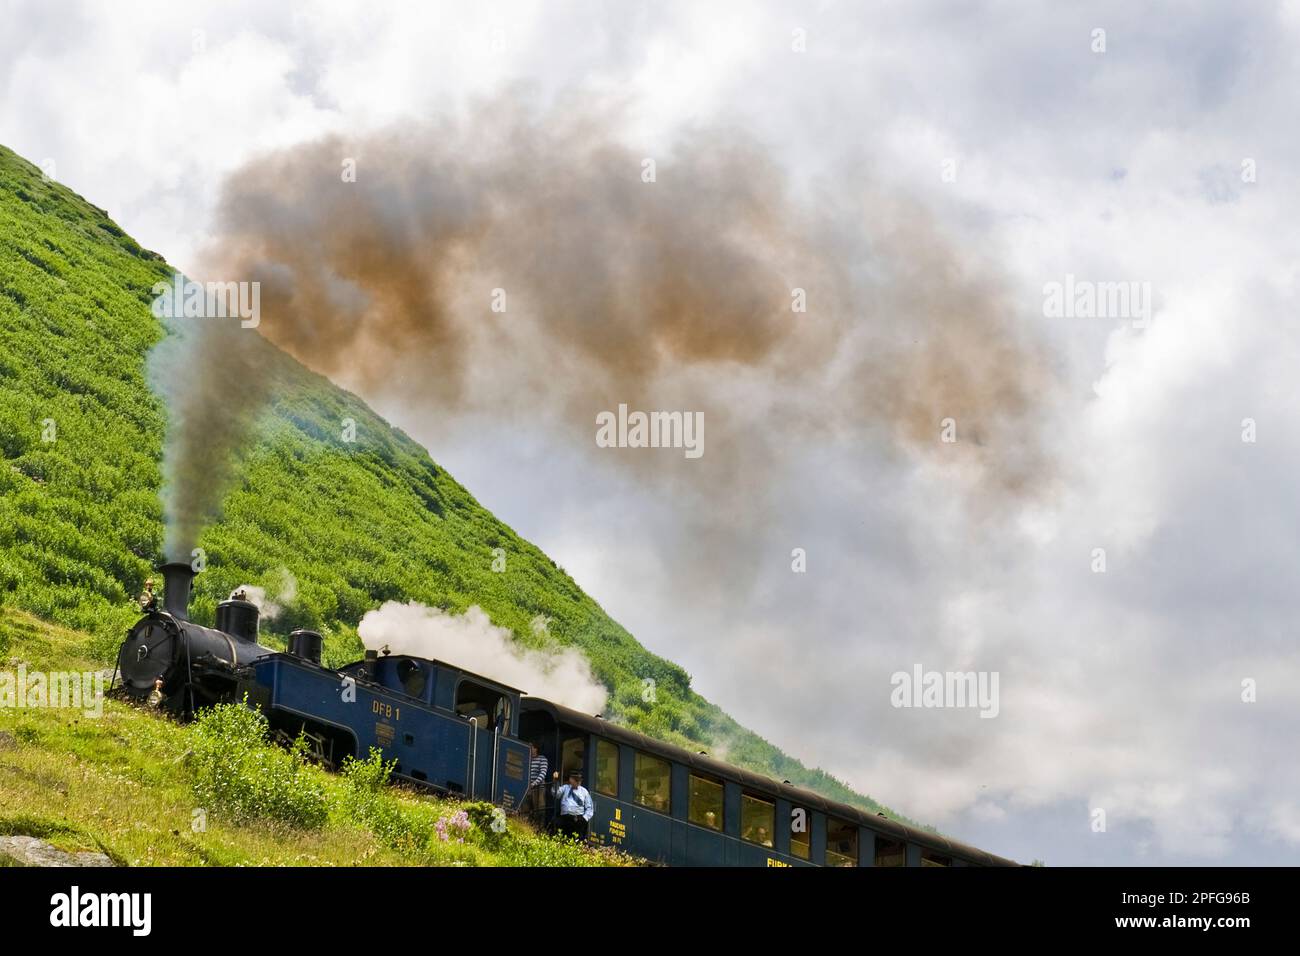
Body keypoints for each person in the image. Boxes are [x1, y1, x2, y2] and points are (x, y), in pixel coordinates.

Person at [554, 769, 594, 841]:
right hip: (565, 818)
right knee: (563, 839)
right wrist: (555, 781)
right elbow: (556, 794)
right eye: (576, 780)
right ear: (570, 779)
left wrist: (584, 818)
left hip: (577, 820)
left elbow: (590, 808)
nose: (578, 782)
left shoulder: (584, 791)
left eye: (579, 780)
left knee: (576, 840)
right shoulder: (565, 788)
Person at [521, 744, 548, 817]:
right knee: (525, 808)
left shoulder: (542, 759)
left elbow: (543, 773)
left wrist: (534, 783)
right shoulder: (527, 759)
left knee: (539, 809)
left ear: (536, 749)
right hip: (527, 787)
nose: (529, 749)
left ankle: (540, 827)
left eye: (531, 747)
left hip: (538, 788)